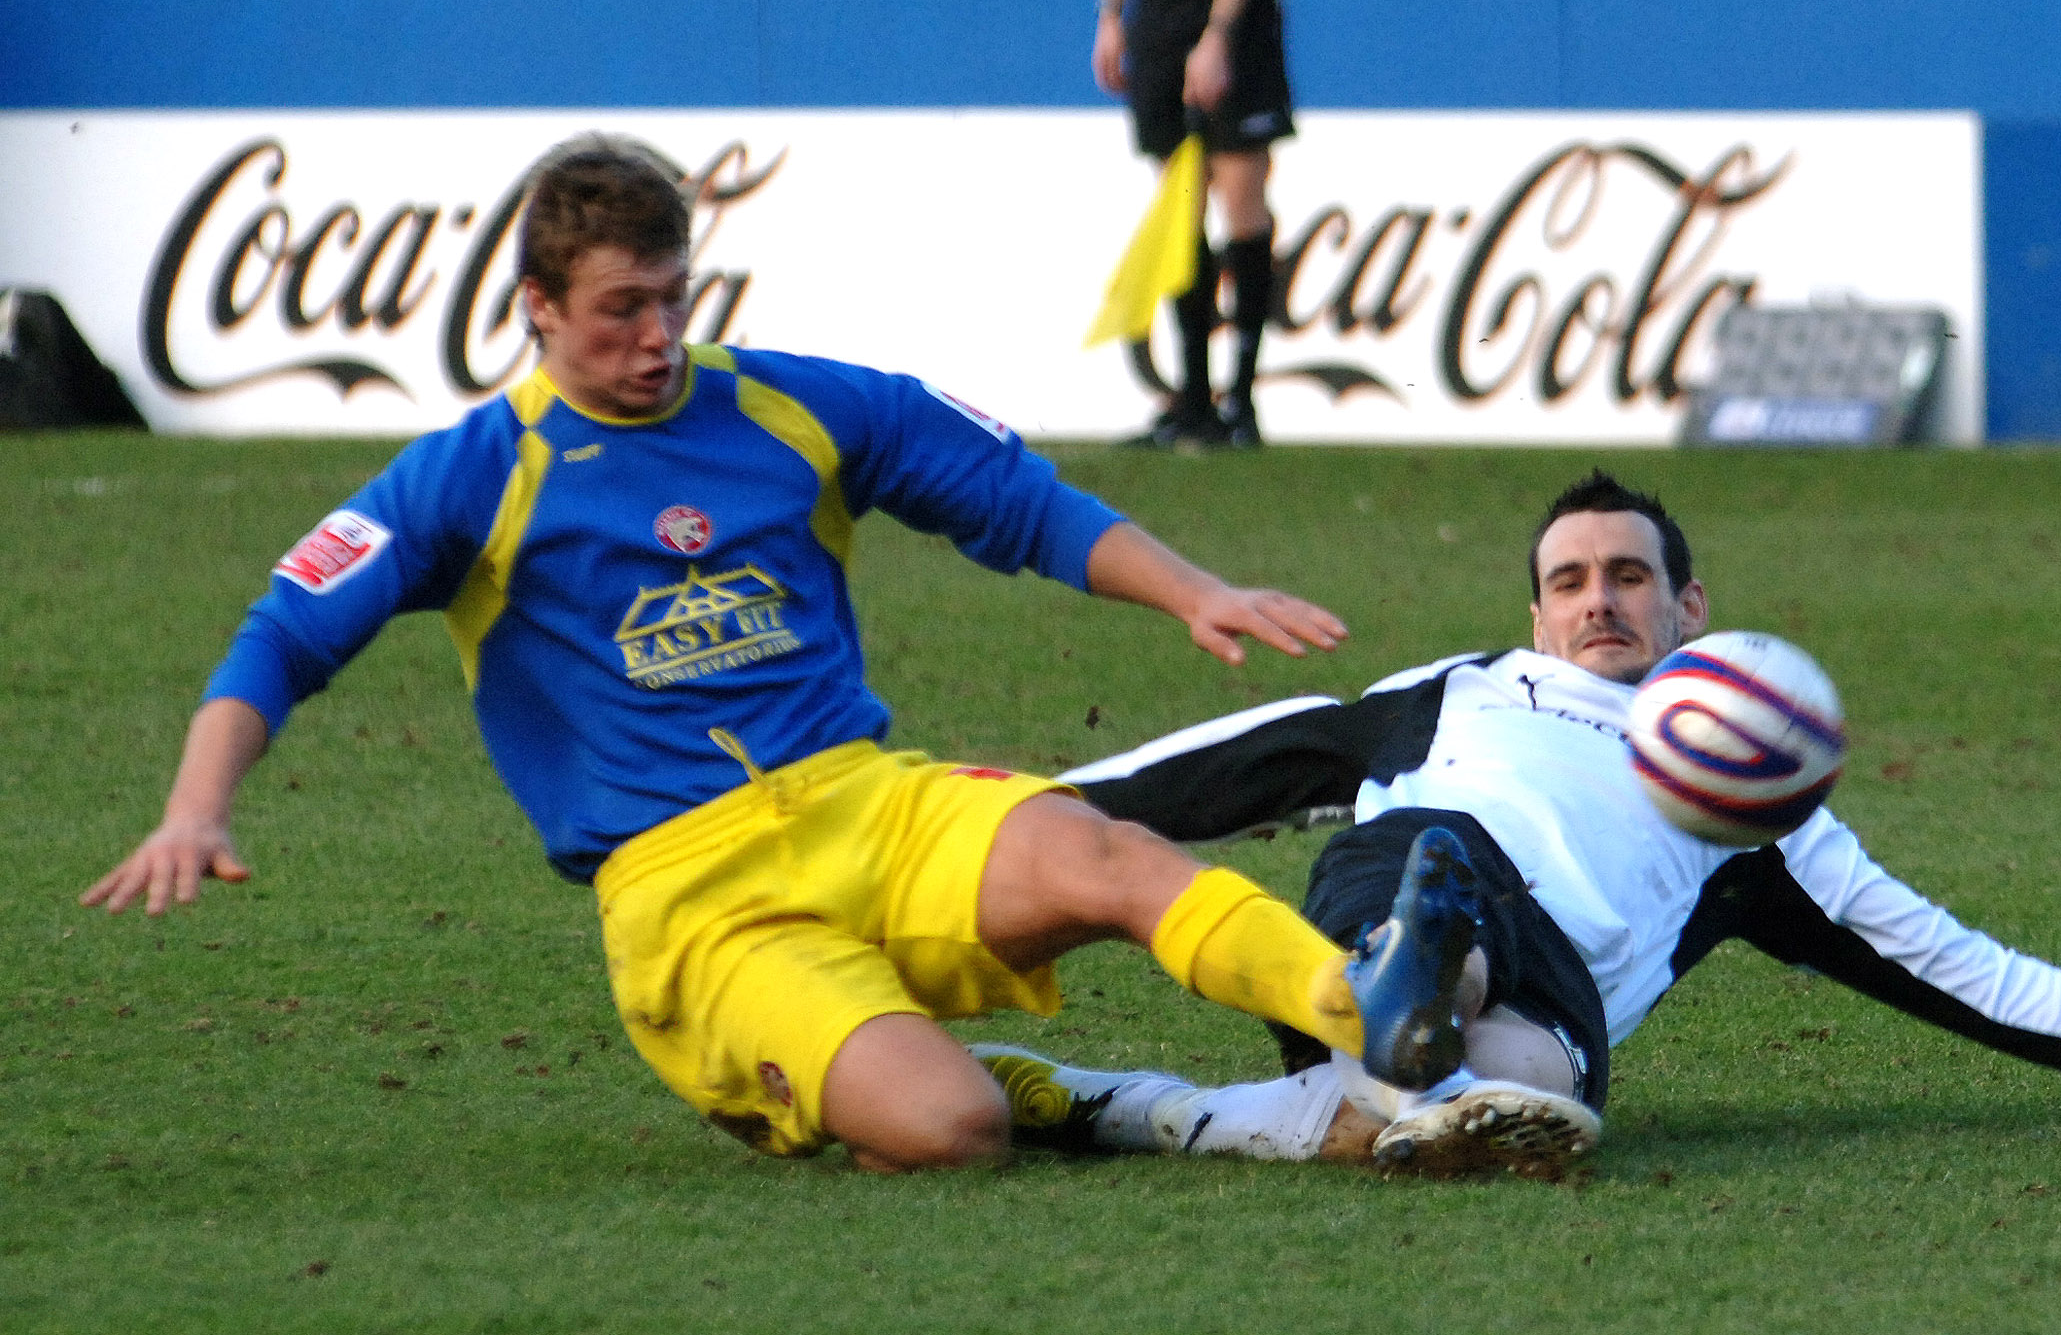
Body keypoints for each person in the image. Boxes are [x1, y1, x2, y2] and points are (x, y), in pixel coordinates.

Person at [78, 134, 1481, 1175]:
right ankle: (1022, 1085)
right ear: (537, 309)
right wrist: (198, 808)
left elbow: (1007, 496)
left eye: (671, 297)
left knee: (1099, 853)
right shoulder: (470, 476)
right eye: (620, 306)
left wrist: (1190, 590)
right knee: (952, 1130)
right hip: (694, 900)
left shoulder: (784, 408)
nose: (654, 335)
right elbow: (285, 631)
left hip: (862, 798)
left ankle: (1367, 1011)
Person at [974, 470, 2061, 1176]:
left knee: (1494, 1109)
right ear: (1531, 612)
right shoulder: (1468, 692)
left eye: (1625, 575)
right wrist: (1024, 811)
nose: (1595, 598)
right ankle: (1423, 952)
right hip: (1393, 890)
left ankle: (1116, 1102)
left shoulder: (1762, 814)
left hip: (1532, 1025)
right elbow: (1238, 762)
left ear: (1687, 608)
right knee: (1443, 876)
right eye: (1567, 580)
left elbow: (1963, 968)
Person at [1093, 0, 1294, 451]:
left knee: (1241, 195)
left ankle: (1242, 398)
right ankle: (1194, 399)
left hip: (1237, 20)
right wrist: (1111, 13)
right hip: (1156, 16)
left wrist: (1219, 33)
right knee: (1181, 205)